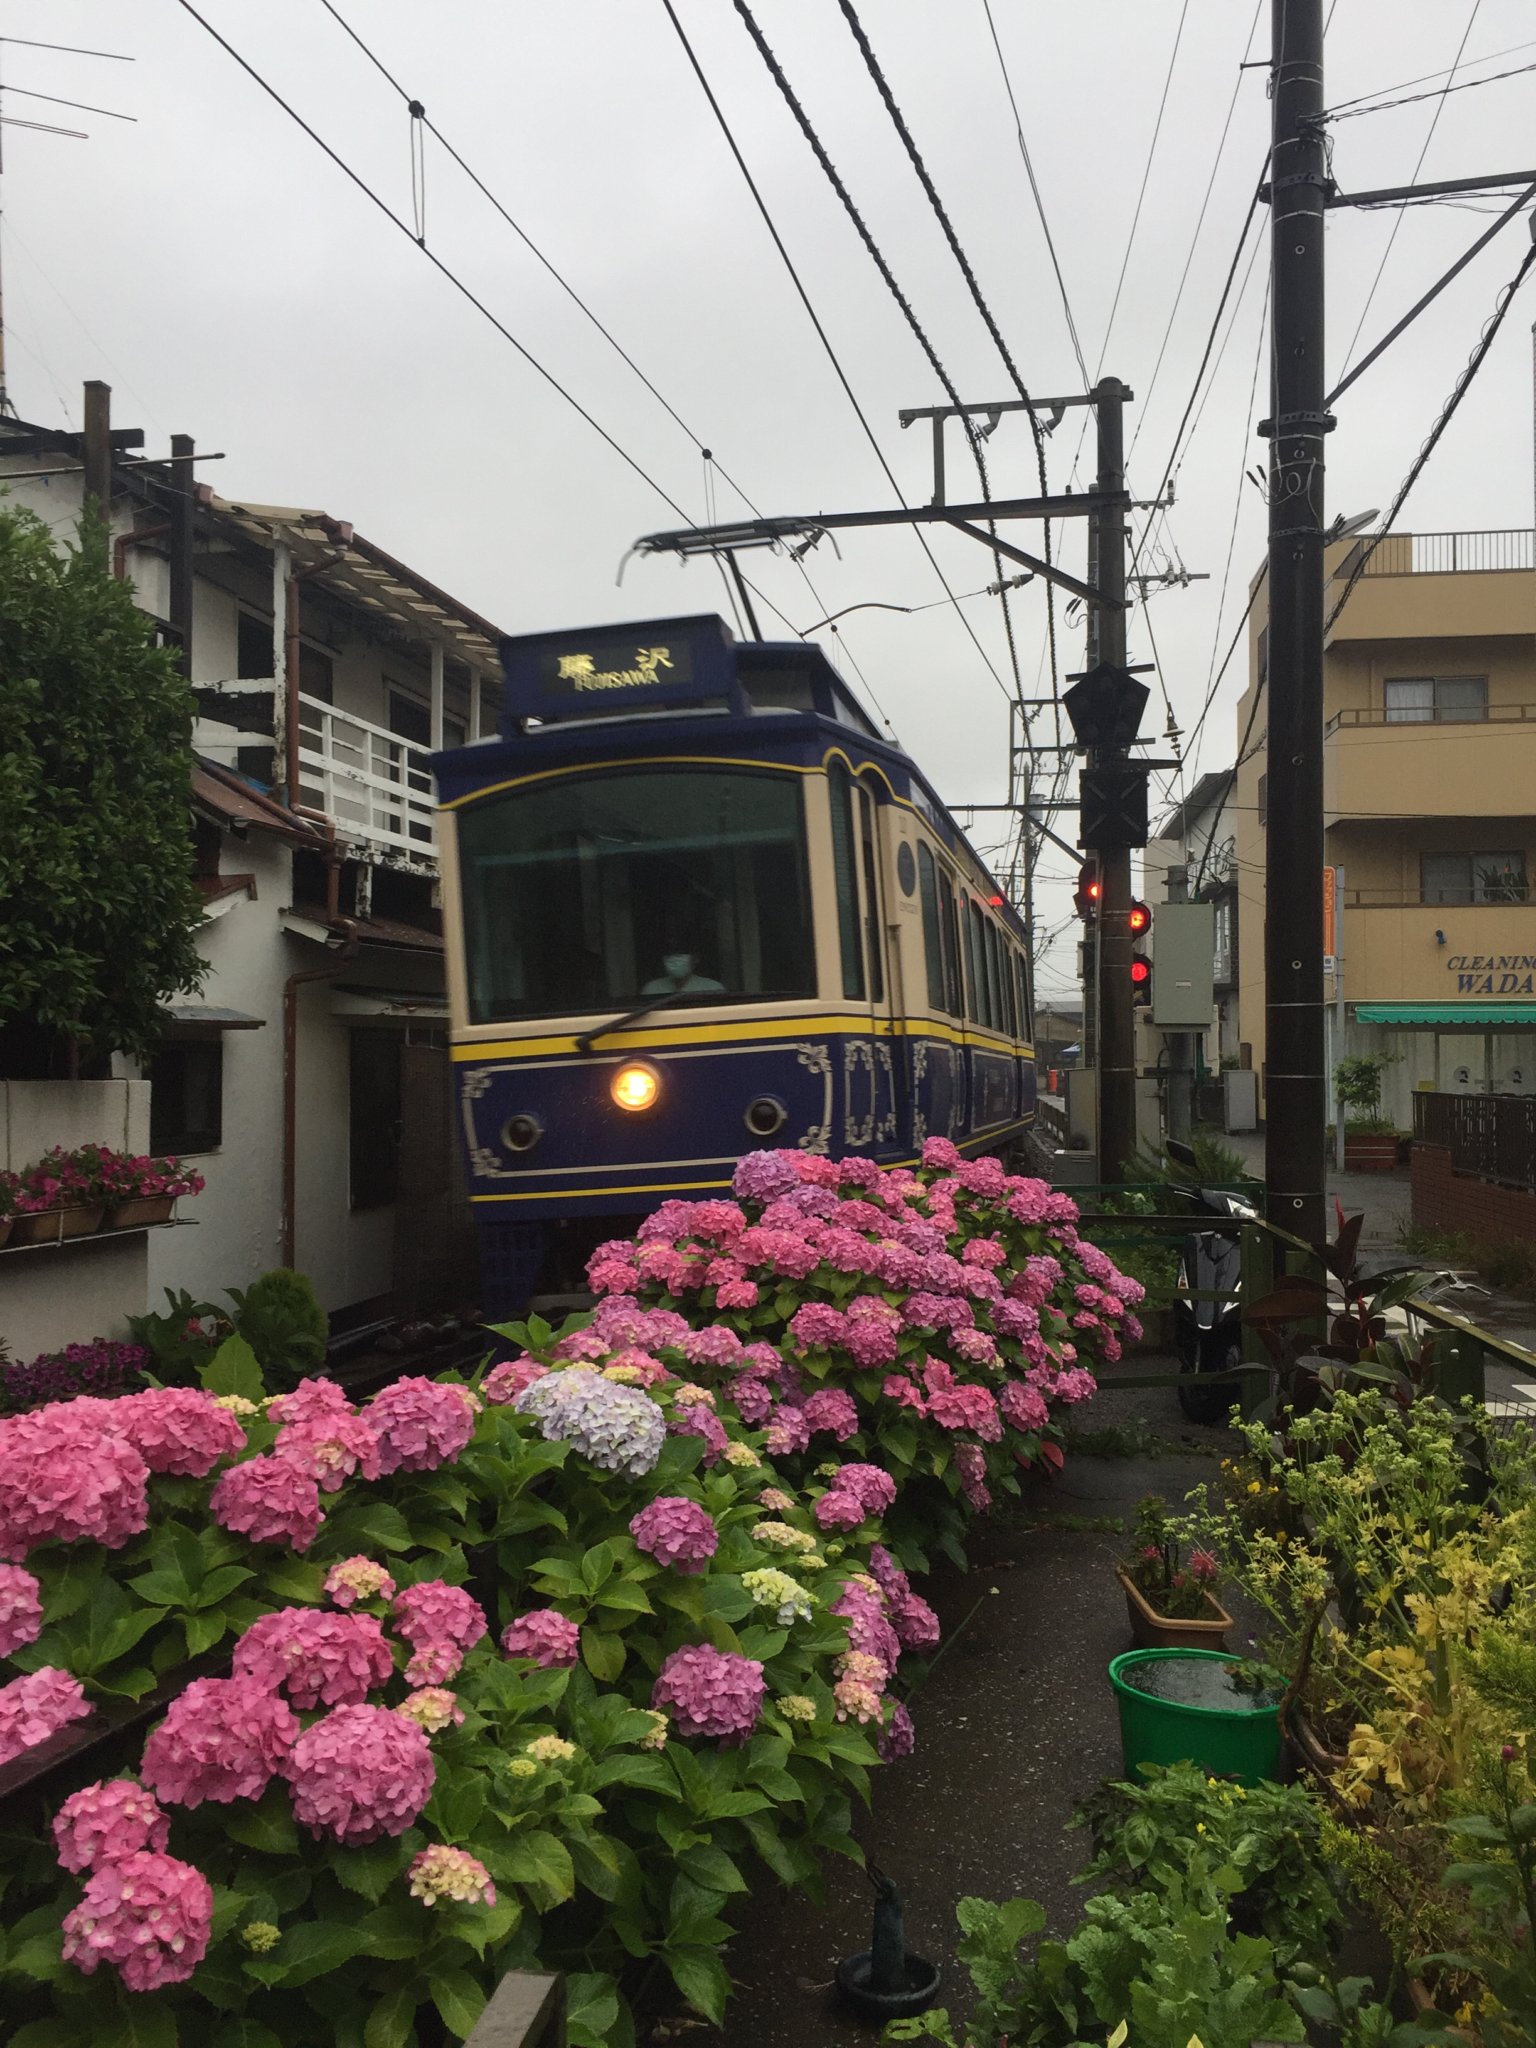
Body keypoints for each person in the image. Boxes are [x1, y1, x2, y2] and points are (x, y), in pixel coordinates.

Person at [641, 951, 725, 996]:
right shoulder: (651, 989)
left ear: (696, 959)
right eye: (671, 955)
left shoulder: (713, 988)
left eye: (681, 955)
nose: (675, 959)